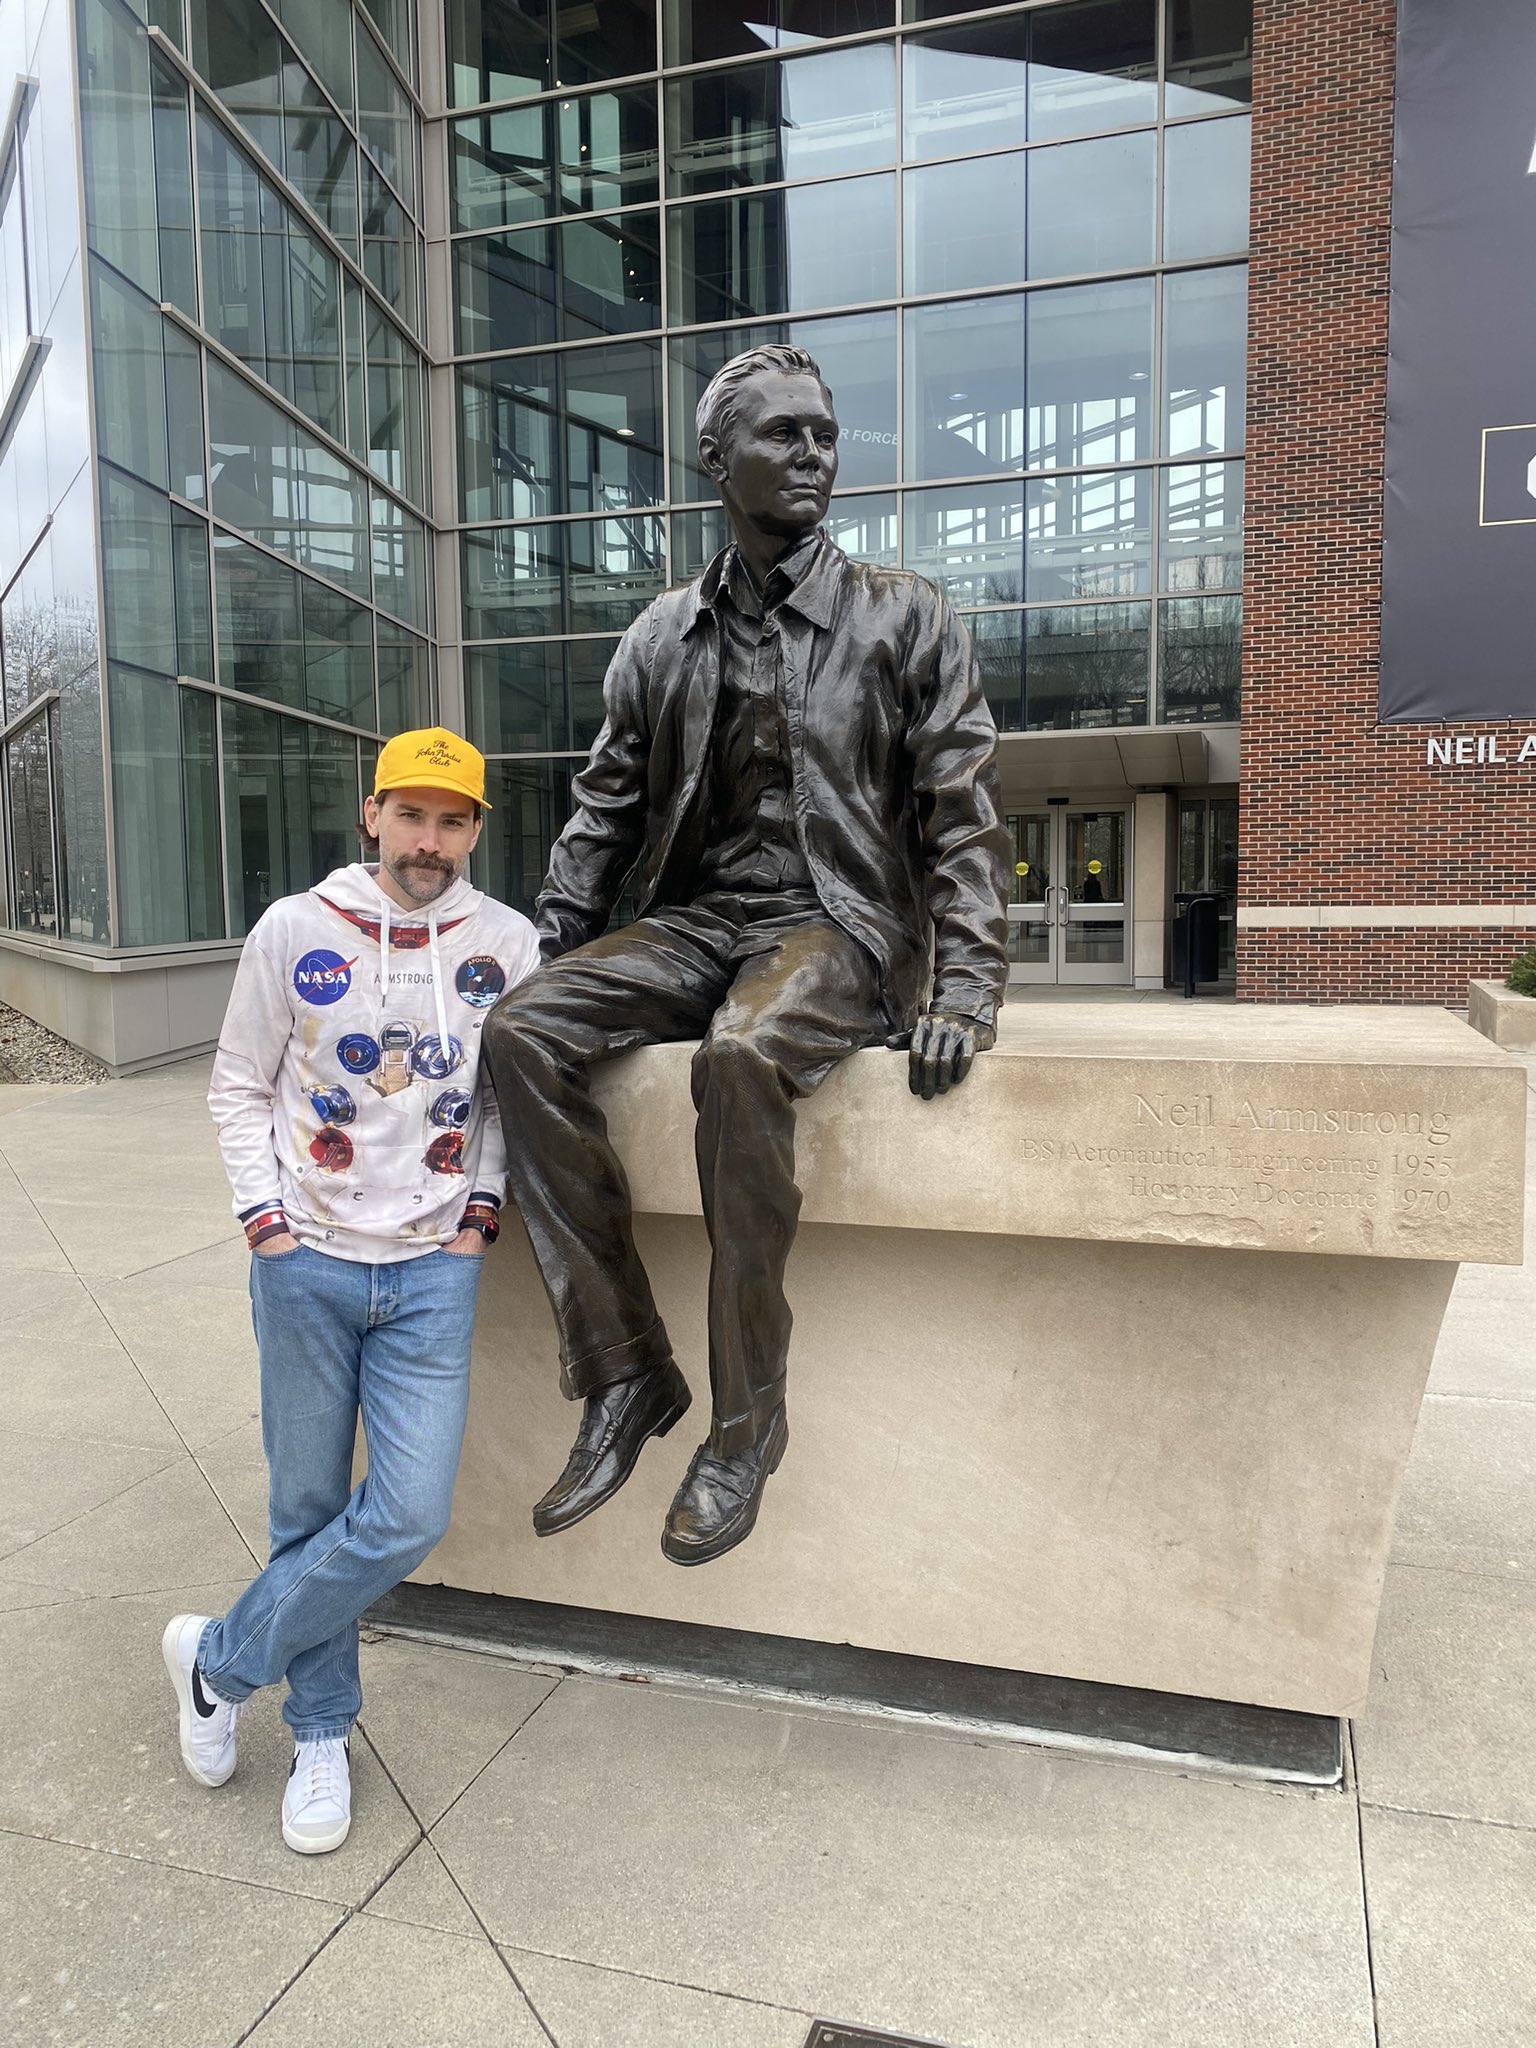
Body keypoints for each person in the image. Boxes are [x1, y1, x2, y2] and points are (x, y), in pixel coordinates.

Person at [485, 344, 1009, 1568]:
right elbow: (605, 813)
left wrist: (969, 985)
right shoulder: (664, 632)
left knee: (739, 1053)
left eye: (825, 434)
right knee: (520, 1029)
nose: (816, 455)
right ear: (717, 461)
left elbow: (964, 811)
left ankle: (745, 1422)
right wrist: (548, 954)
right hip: (700, 920)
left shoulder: (904, 612)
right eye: (785, 435)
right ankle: (624, 1369)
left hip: (839, 927)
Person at [163, 729, 539, 1854]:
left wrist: (482, 1210)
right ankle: (321, 1730)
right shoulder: (294, 928)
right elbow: (239, 1081)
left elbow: (514, 1098)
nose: (432, 841)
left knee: (409, 1511)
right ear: (371, 813)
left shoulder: (508, 942)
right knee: (308, 1509)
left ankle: (218, 1661)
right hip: (308, 1260)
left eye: (454, 819)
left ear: (476, 829)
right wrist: (263, 1219)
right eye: (412, 815)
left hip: (433, 1268)